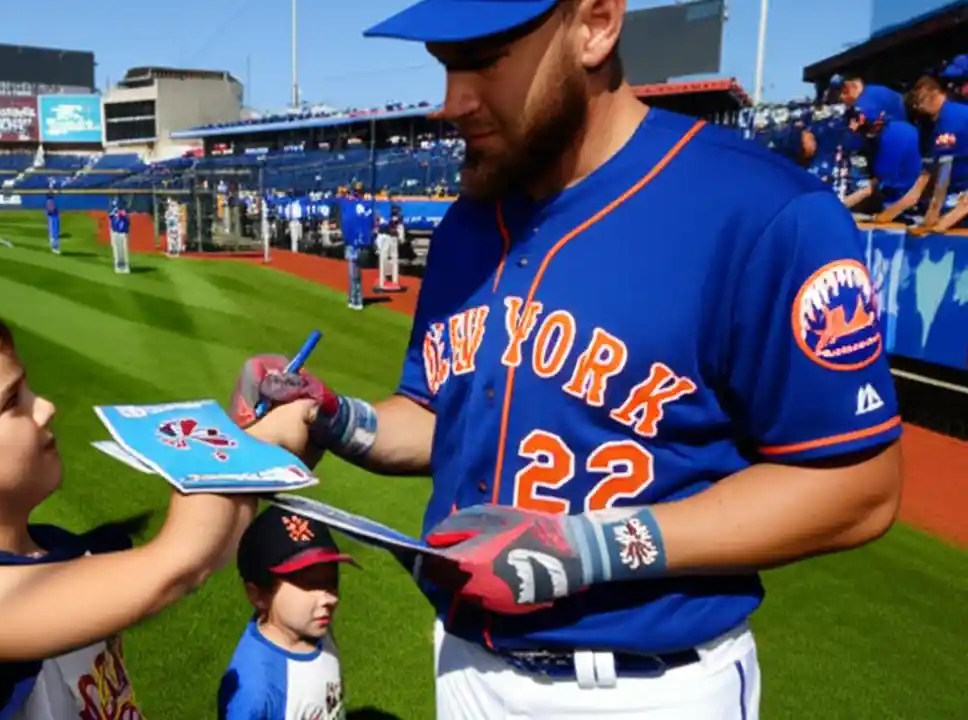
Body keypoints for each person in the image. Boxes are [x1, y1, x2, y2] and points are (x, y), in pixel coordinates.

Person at [231, 1, 904, 717]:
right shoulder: (469, 222)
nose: (451, 101)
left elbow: (859, 488)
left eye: (484, 59)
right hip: (466, 669)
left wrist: (587, 548)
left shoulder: (760, 210)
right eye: (444, 64)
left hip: (649, 689)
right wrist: (331, 414)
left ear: (595, 25)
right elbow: (441, 419)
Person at [0, 305, 312, 719]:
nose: (45, 406)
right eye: (12, 402)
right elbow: (179, 563)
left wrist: (250, 435)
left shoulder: (52, 548)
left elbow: (210, 549)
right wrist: (248, 448)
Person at [217, 506, 355, 718]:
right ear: (258, 595)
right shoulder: (255, 690)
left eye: (331, 582)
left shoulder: (316, 627)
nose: (330, 598)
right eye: (310, 584)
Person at [840, 99, 926, 222]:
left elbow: (872, 188)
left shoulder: (893, 138)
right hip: (903, 201)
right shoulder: (898, 128)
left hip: (906, 209)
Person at [906, 75, 968, 231]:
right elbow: (931, 172)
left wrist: (936, 213)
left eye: (918, 99)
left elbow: (944, 171)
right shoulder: (930, 124)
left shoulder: (954, 119)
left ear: (930, 92)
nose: (916, 106)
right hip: (954, 198)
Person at [109, 198, 132, 274]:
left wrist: (123, 214)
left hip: (123, 232)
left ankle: (125, 266)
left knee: (124, 250)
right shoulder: (113, 212)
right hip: (116, 232)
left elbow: (128, 221)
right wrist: (116, 213)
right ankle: (118, 266)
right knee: (117, 250)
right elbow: (110, 216)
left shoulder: (125, 213)